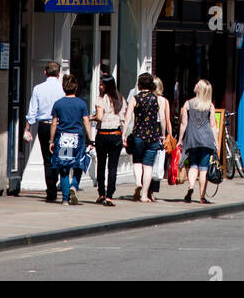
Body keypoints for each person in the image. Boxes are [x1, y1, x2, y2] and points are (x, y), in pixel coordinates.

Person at [23, 61, 64, 203]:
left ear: (45, 72)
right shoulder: (62, 88)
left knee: (47, 159)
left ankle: (51, 189)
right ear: (59, 73)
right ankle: (55, 181)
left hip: (44, 126)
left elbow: (32, 110)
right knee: (59, 157)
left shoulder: (38, 88)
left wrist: (27, 128)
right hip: (60, 125)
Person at [49, 74, 93, 206]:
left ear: (64, 88)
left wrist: (51, 140)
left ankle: (65, 199)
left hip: (63, 139)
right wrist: (91, 139)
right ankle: (74, 185)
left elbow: (54, 123)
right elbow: (86, 122)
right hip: (77, 138)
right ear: (76, 87)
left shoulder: (58, 104)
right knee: (79, 164)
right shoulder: (81, 104)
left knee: (64, 168)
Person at [178, 79, 219, 204]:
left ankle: (190, 187)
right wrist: (216, 141)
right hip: (206, 139)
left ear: (199, 89)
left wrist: (180, 139)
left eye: (197, 85)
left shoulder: (188, 104)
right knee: (203, 169)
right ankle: (202, 197)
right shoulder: (210, 105)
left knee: (193, 165)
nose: (195, 85)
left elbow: (184, 123)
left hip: (192, 139)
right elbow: (213, 125)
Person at [122, 72, 162, 202]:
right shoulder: (156, 99)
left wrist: (124, 133)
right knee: (148, 166)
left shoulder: (135, 98)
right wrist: (162, 134)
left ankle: (138, 182)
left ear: (139, 85)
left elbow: (128, 117)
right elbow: (160, 118)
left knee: (137, 161)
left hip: (138, 135)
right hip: (153, 136)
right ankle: (144, 195)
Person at [93, 75, 125, 206]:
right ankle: (110, 195)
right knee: (113, 167)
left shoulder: (101, 100)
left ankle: (101, 193)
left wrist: (91, 118)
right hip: (116, 134)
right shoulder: (121, 99)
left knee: (101, 165)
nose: (100, 86)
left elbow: (99, 117)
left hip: (103, 134)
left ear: (107, 86)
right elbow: (123, 119)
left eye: (101, 84)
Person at [148, 77, 173, 201]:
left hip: (147, 129)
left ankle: (144, 188)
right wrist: (169, 133)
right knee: (157, 161)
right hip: (159, 131)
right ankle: (152, 192)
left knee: (147, 160)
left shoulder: (147, 99)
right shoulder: (164, 101)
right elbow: (167, 119)